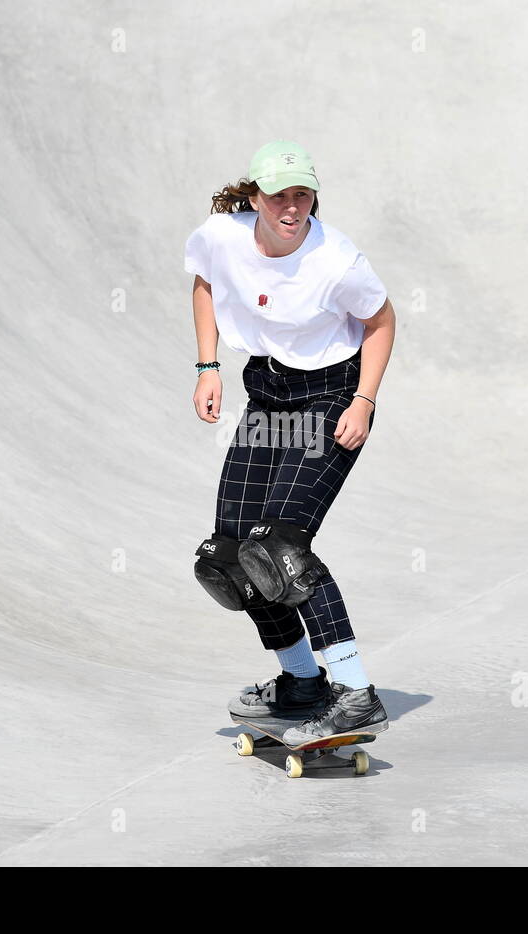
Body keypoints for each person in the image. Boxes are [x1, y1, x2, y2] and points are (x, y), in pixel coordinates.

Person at [185, 140, 396, 745]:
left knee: (281, 550)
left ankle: (356, 694)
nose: (291, 205)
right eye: (279, 194)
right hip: (269, 398)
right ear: (255, 196)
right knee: (231, 556)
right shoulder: (223, 235)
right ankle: (301, 680)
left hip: (331, 400)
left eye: (302, 194)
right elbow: (203, 282)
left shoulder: (337, 261)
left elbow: (382, 322)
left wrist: (364, 399)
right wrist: (208, 366)